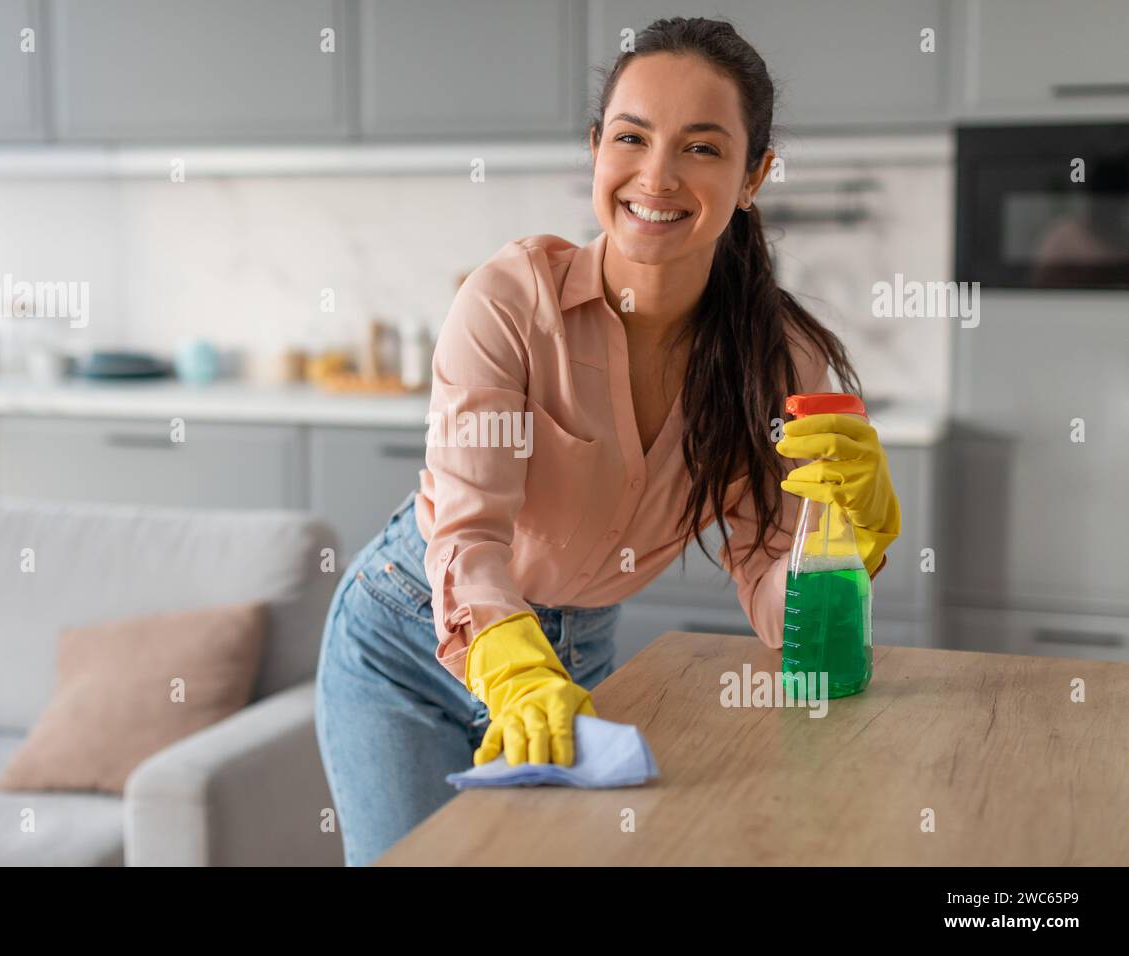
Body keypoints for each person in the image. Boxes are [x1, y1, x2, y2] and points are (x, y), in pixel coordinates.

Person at [315, 16, 901, 867]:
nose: (656, 176)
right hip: (407, 644)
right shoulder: (511, 303)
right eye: (632, 137)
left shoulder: (780, 361)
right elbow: (470, 533)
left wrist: (851, 534)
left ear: (754, 175)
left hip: (578, 651)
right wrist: (513, 671)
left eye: (702, 148)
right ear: (597, 150)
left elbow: (785, 620)